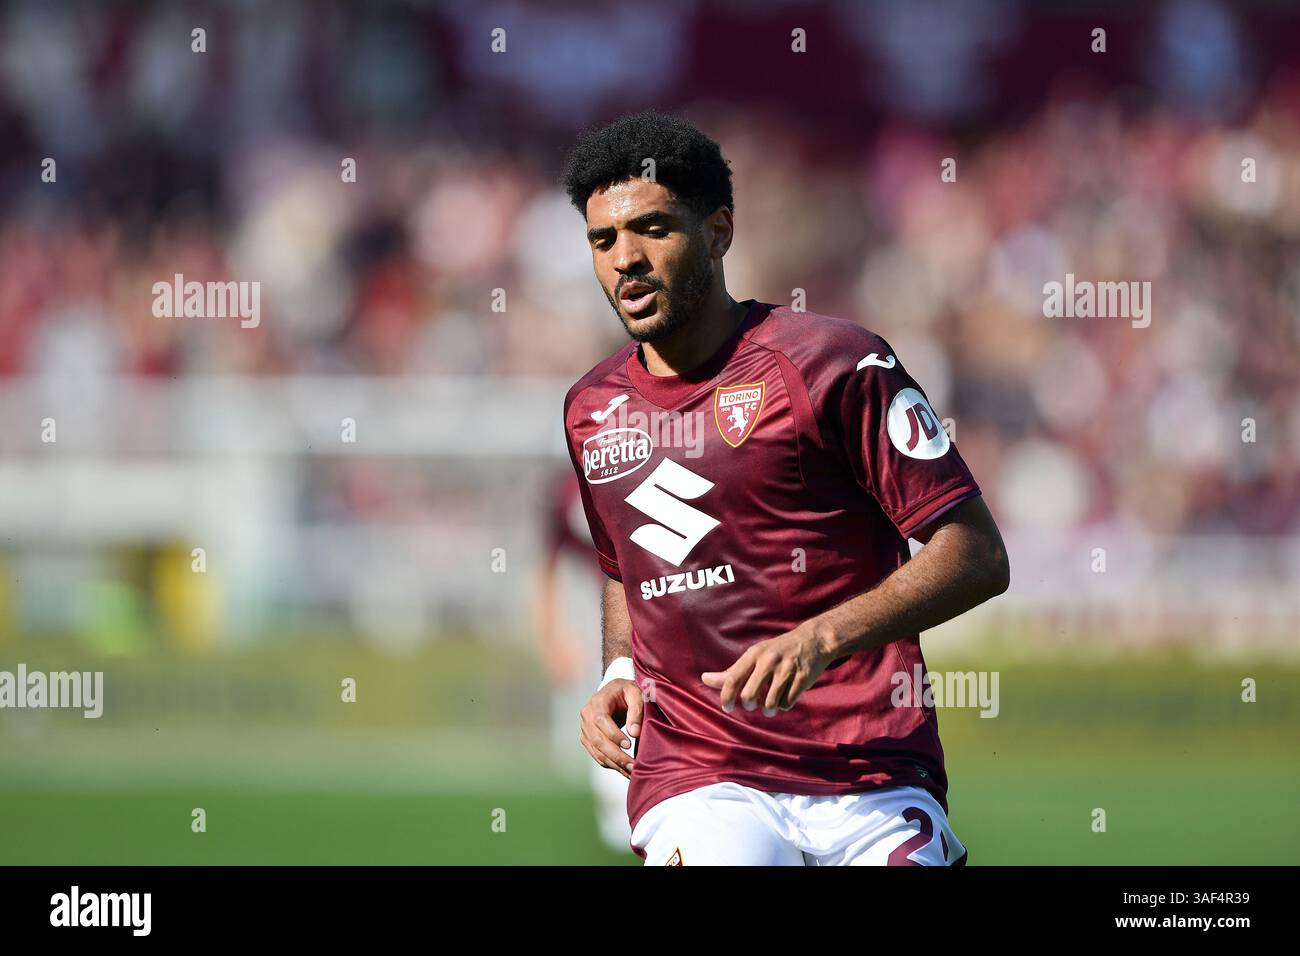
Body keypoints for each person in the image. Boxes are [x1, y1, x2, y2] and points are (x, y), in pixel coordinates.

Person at [560, 111, 1009, 865]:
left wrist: (822, 638)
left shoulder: (836, 363)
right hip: (702, 775)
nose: (626, 259)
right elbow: (621, 567)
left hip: (870, 769)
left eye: (653, 229)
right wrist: (618, 671)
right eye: (604, 241)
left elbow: (975, 554)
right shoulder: (590, 409)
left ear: (719, 231)